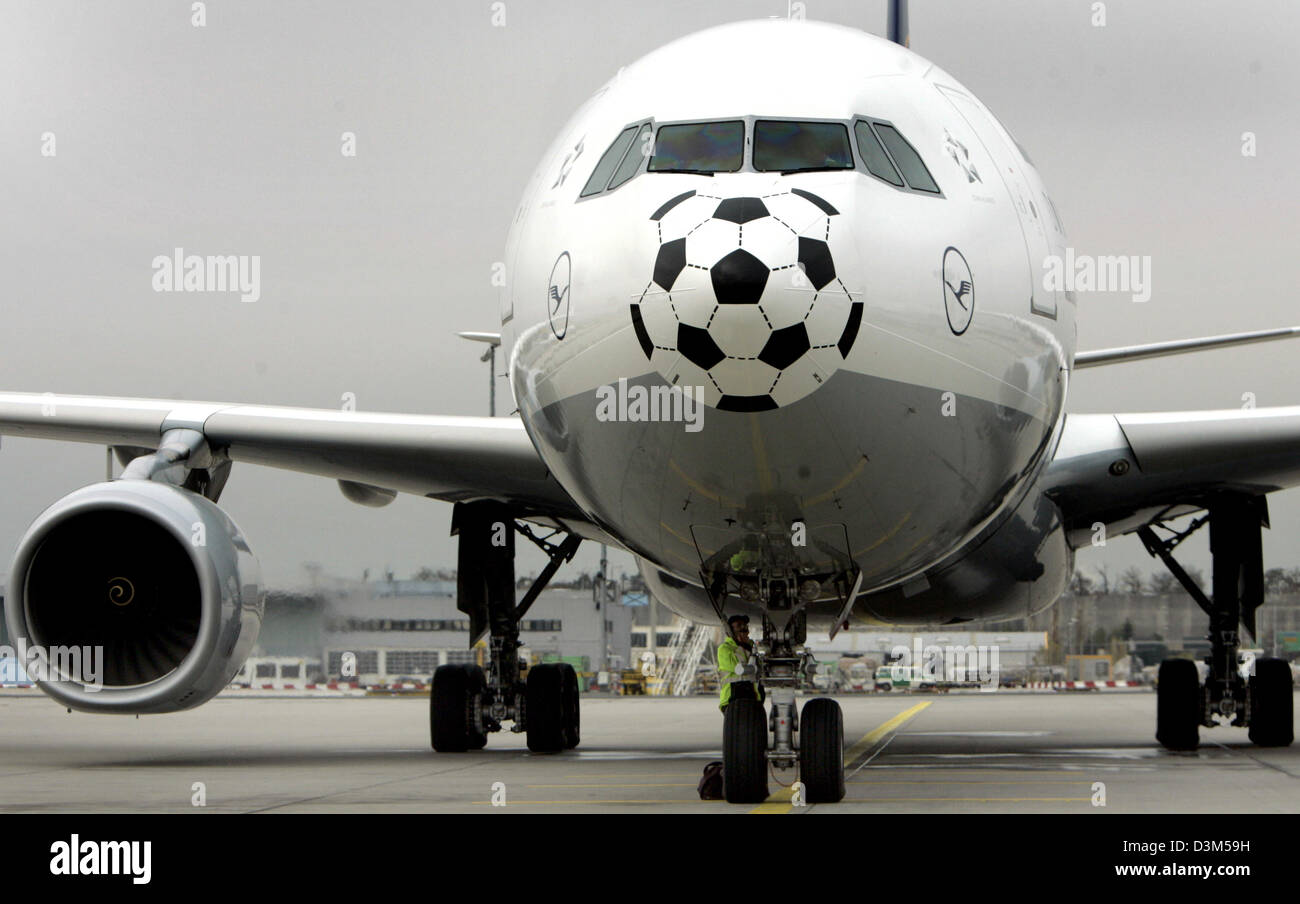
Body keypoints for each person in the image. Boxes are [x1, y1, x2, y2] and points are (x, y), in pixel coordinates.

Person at [717, 614, 764, 711]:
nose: (743, 628)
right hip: (732, 700)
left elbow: (759, 668)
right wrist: (742, 645)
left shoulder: (751, 647)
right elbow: (738, 666)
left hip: (752, 698)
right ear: (730, 631)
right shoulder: (725, 649)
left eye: (745, 626)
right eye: (739, 625)